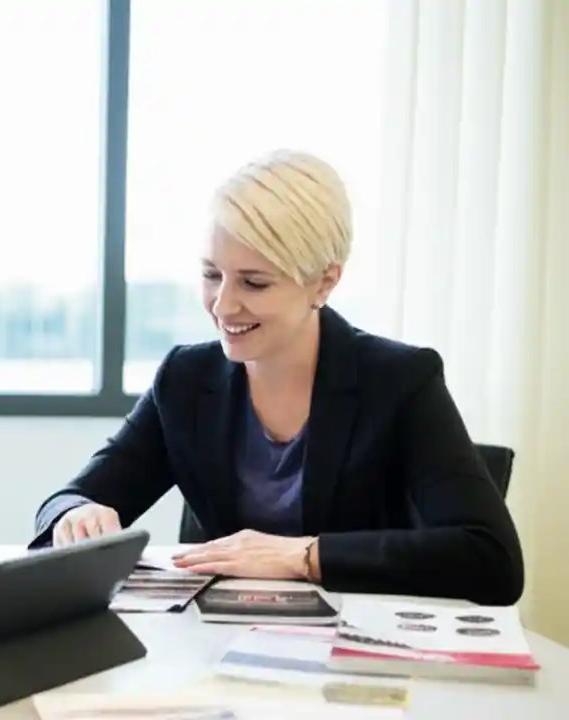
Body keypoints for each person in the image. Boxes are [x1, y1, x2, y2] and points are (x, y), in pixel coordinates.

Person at [30, 149, 524, 607]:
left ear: (325, 281)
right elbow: (69, 500)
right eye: (211, 274)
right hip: (219, 654)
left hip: (357, 658)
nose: (223, 304)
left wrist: (302, 556)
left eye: (254, 282)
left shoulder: (399, 381)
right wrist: (75, 516)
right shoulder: (186, 380)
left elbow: (490, 560)